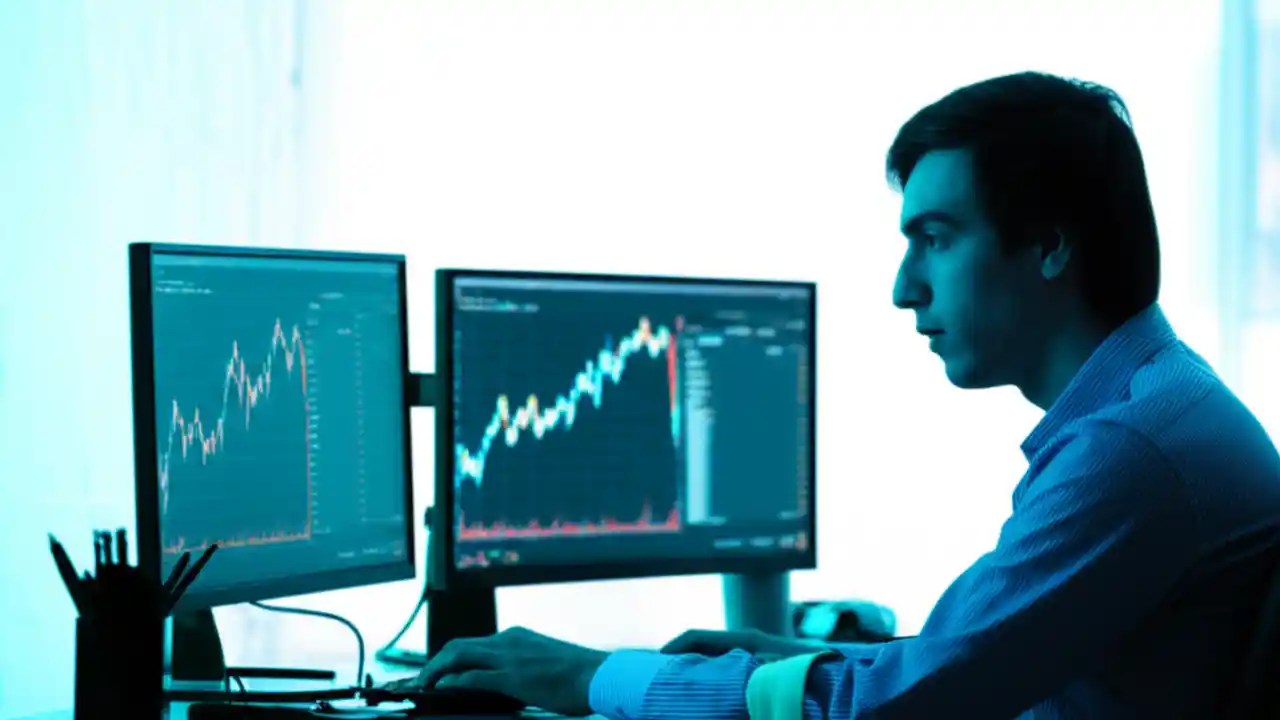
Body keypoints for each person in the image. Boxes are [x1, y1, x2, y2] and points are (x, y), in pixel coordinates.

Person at [389, 71, 1280, 717]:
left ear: (1049, 246)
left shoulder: (1130, 452)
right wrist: (796, 657)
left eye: (936, 238)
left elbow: (896, 711)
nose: (903, 288)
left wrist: (590, 677)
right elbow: (973, 666)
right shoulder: (1166, 406)